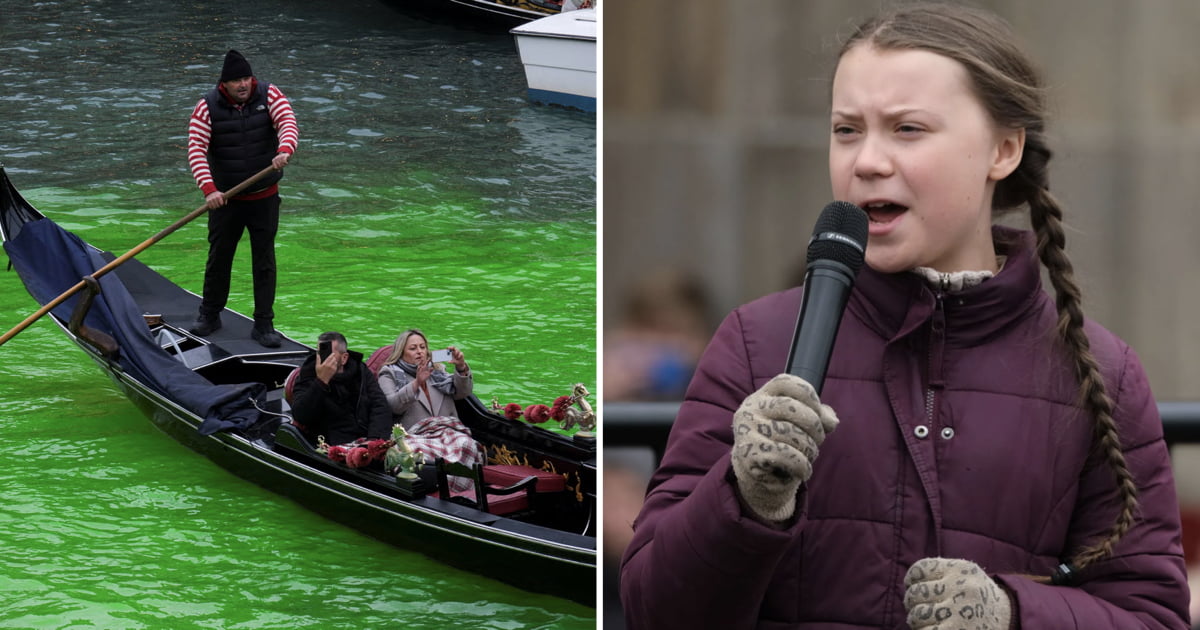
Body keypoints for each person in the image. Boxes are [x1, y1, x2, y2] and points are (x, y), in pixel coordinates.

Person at [619, 4, 1189, 630]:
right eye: (846, 130)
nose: (866, 160)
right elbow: (653, 609)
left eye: (907, 129)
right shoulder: (756, 343)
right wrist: (744, 501)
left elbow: (1150, 615)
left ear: (1003, 148)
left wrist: (1013, 615)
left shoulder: (1103, 373)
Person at [186, 49, 299, 348]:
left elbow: (287, 121)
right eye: (236, 80)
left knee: (264, 261)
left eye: (246, 78)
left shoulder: (269, 94)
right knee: (219, 258)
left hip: (265, 197)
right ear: (225, 84)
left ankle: (264, 324)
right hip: (226, 200)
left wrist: (285, 148)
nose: (243, 85)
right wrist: (209, 190)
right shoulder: (206, 107)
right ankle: (209, 315)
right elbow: (196, 148)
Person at [376, 329, 485, 488]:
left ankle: (464, 490)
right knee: (413, 453)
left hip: (448, 432)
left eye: (422, 347)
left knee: (466, 444)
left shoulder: (438, 370)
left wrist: (461, 367)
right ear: (401, 353)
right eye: (413, 348)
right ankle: (441, 488)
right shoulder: (388, 373)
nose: (419, 352)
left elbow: (463, 392)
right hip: (415, 435)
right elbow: (393, 406)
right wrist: (416, 383)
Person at [291, 331, 391, 446]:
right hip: (332, 443)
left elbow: (379, 404)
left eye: (328, 353)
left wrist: (374, 439)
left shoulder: (360, 371)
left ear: (344, 358)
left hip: (366, 435)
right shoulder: (308, 374)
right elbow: (300, 415)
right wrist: (321, 381)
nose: (323, 358)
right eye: (320, 353)